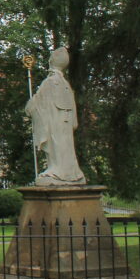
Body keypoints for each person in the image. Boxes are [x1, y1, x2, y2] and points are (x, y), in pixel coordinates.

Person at [26, 46, 86, 185]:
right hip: (65, 125)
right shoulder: (65, 84)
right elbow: (73, 114)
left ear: (51, 61)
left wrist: (30, 105)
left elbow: (36, 105)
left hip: (54, 124)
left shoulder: (50, 82)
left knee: (57, 145)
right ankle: (71, 173)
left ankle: (57, 171)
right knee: (66, 147)